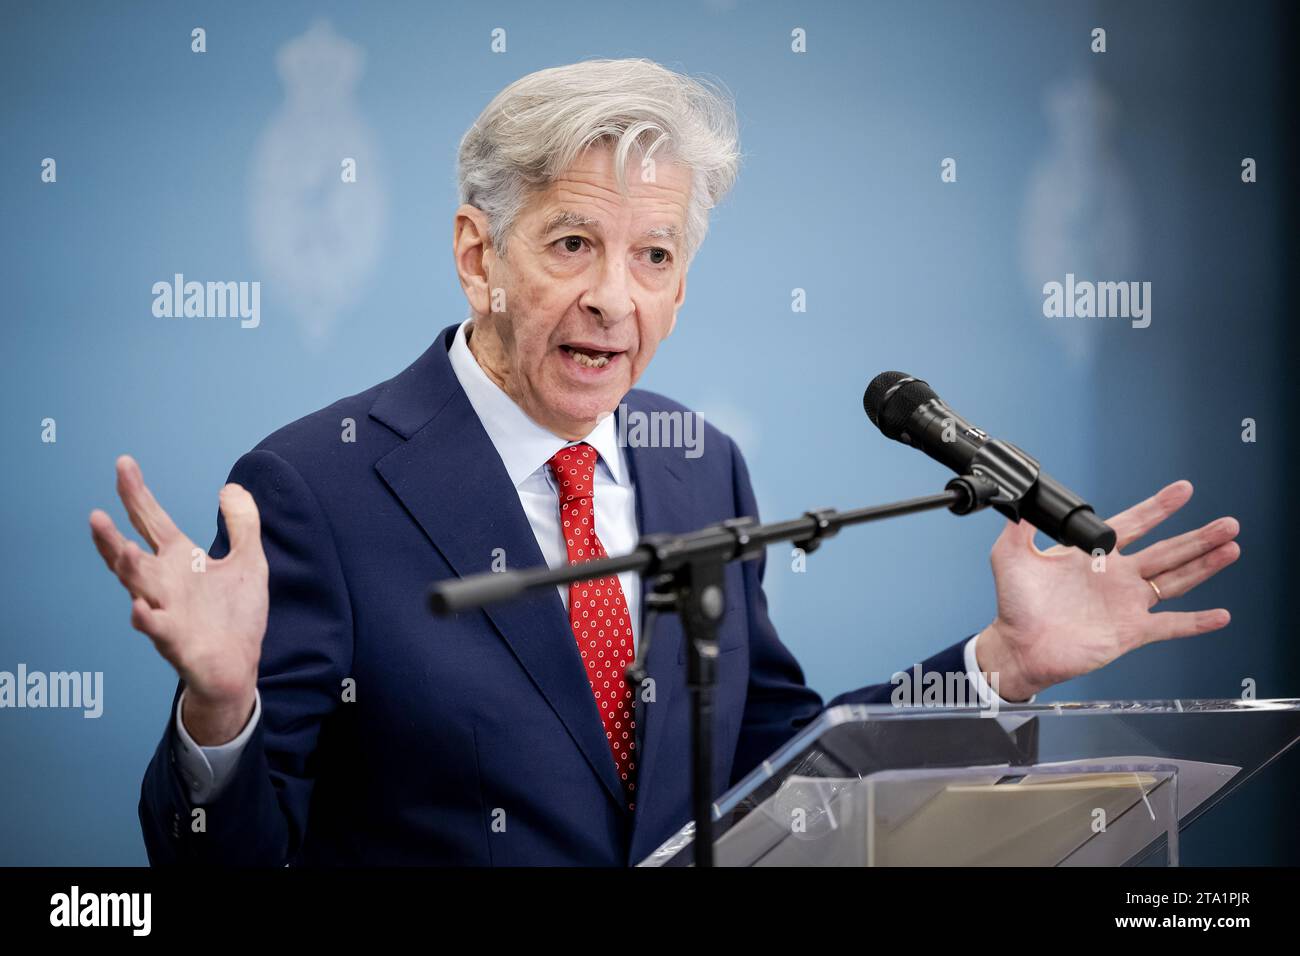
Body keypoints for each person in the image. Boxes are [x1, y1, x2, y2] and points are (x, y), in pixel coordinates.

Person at [89, 59, 1241, 866]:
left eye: (653, 255)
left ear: (682, 288)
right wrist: (220, 706)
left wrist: (999, 666)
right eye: (574, 243)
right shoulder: (316, 486)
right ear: (476, 253)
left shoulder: (700, 466)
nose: (611, 296)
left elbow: (784, 770)